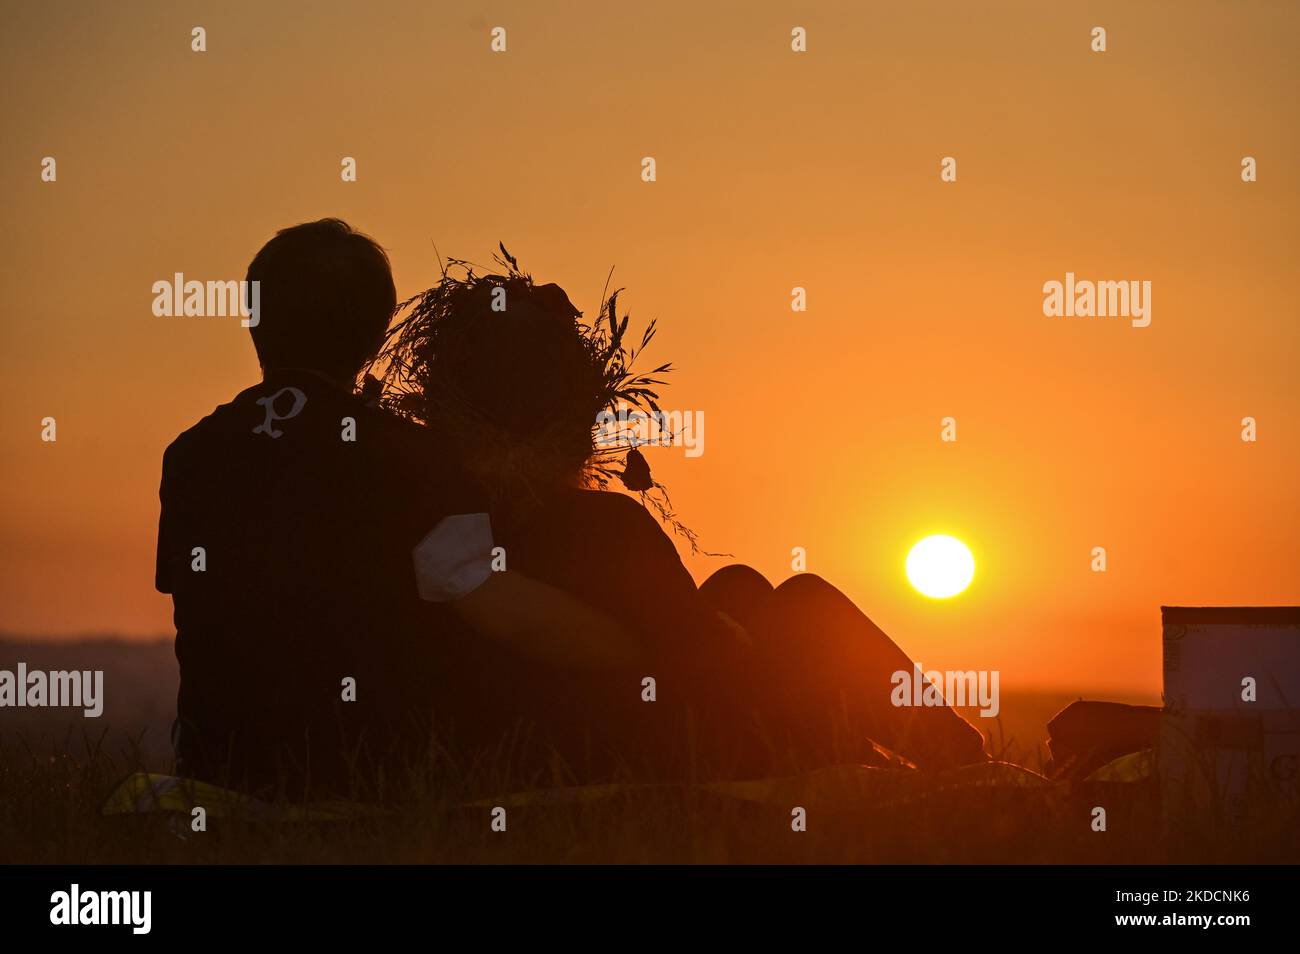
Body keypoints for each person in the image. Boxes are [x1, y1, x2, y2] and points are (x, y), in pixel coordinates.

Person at [371, 250, 987, 782]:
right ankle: (965, 764)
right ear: (577, 419)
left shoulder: (434, 519)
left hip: (549, 735)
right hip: (658, 747)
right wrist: (757, 646)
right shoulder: (603, 529)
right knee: (804, 605)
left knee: (740, 586)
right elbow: (701, 668)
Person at [155, 219, 632, 800]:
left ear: (254, 320)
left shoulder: (189, 457)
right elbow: (500, 612)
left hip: (221, 774)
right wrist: (642, 651)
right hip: (371, 779)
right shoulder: (413, 456)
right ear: (379, 334)